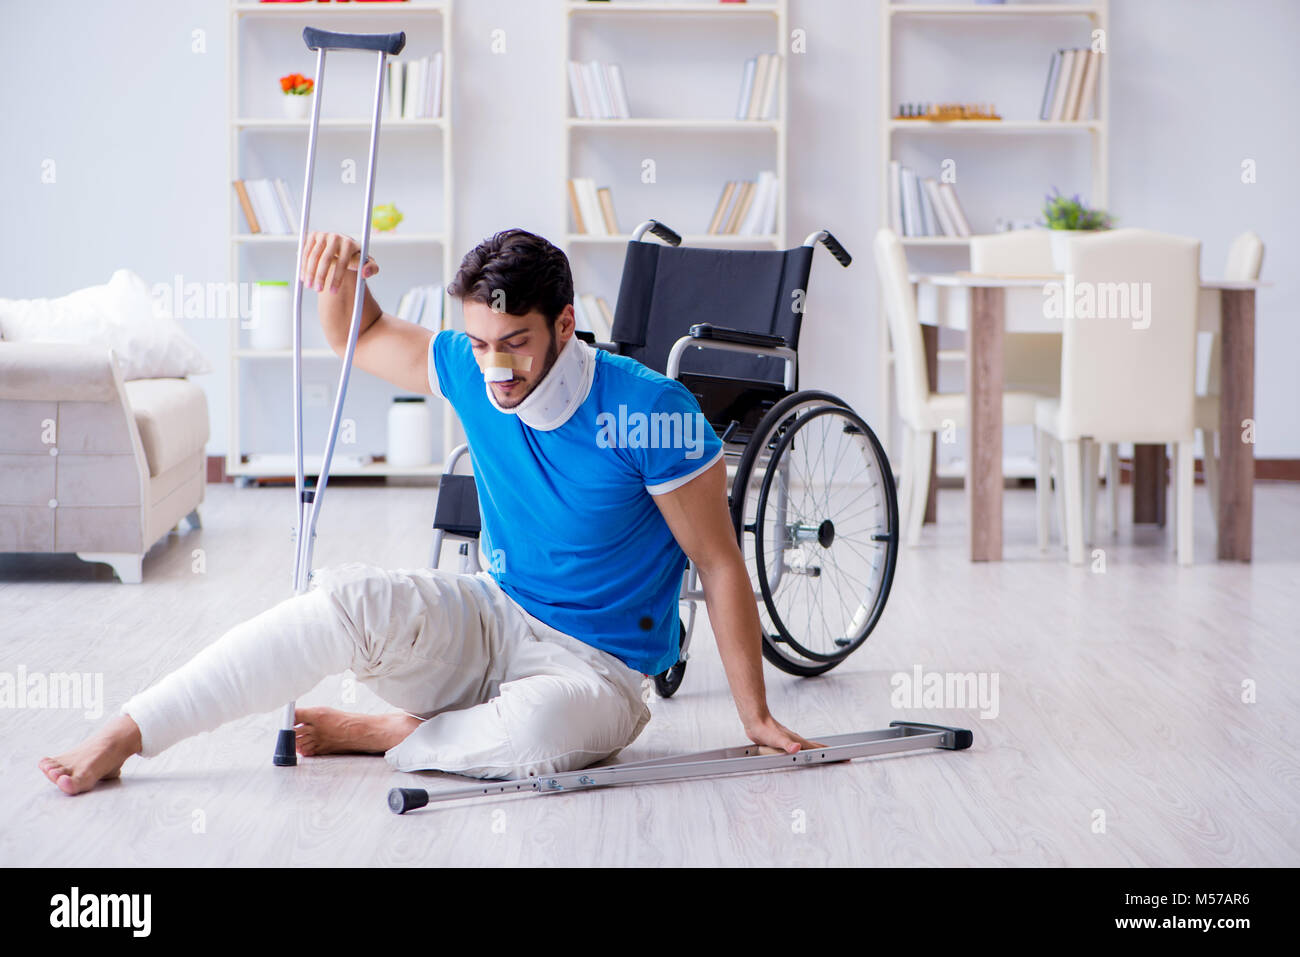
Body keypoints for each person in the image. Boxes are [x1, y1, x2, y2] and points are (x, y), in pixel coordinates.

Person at [39, 228, 824, 796]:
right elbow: (369, 335)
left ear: (564, 322)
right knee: (344, 602)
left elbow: (720, 564)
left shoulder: (654, 411)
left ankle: (402, 732)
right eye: (480, 343)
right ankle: (128, 731)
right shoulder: (470, 363)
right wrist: (345, 285)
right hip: (493, 610)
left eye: (514, 343)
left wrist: (754, 713)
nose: (495, 368)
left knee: (535, 737)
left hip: (600, 668)